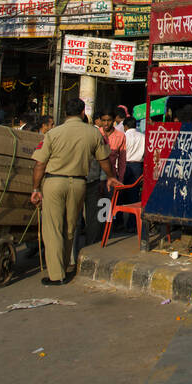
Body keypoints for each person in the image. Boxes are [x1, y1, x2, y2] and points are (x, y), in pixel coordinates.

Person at [33, 99, 116, 286]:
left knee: (53, 228)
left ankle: (57, 274)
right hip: (79, 183)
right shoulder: (93, 133)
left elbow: (40, 164)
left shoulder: (53, 133)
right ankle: (64, 265)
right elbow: (104, 160)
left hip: (54, 182)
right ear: (81, 113)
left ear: (65, 114)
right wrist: (110, 176)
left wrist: (35, 188)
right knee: (70, 227)